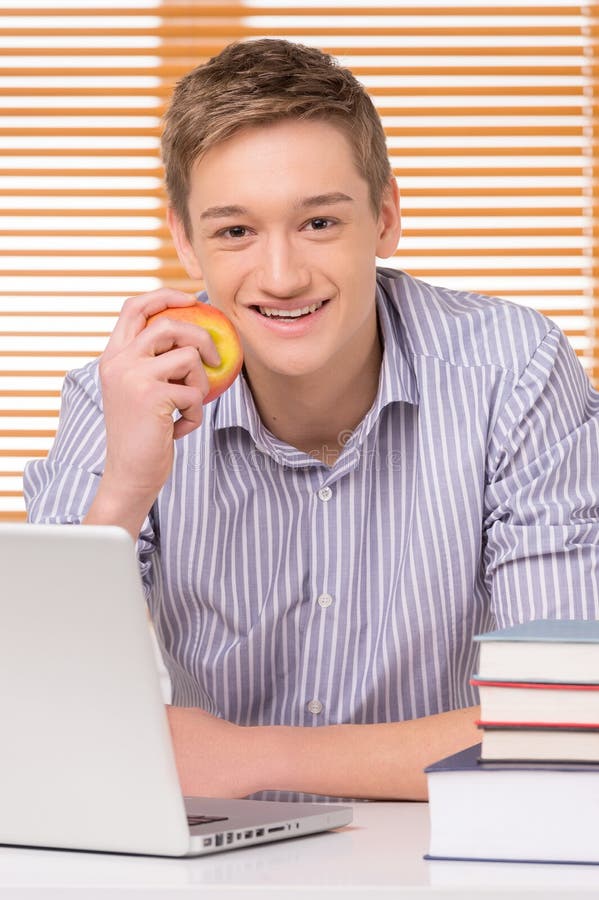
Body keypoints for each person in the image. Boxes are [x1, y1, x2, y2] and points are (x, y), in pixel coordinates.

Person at [24, 38, 599, 803]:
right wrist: (126, 487)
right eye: (234, 231)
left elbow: (561, 717)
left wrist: (249, 758)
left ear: (385, 216)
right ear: (183, 240)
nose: (282, 275)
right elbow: (41, 720)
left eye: (319, 223)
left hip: (437, 853)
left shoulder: (512, 371)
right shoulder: (122, 395)